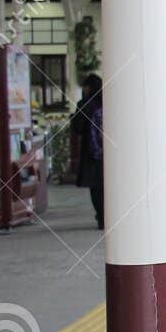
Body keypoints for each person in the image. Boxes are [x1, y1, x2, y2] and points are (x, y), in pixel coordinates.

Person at [70, 74, 105, 230]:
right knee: (108, 186)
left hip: (92, 154)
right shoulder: (110, 102)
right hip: (110, 153)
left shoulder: (85, 105)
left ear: (88, 88)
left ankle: (102, 216)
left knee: (96, 187)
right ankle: (110, 215)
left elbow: (77, 128)